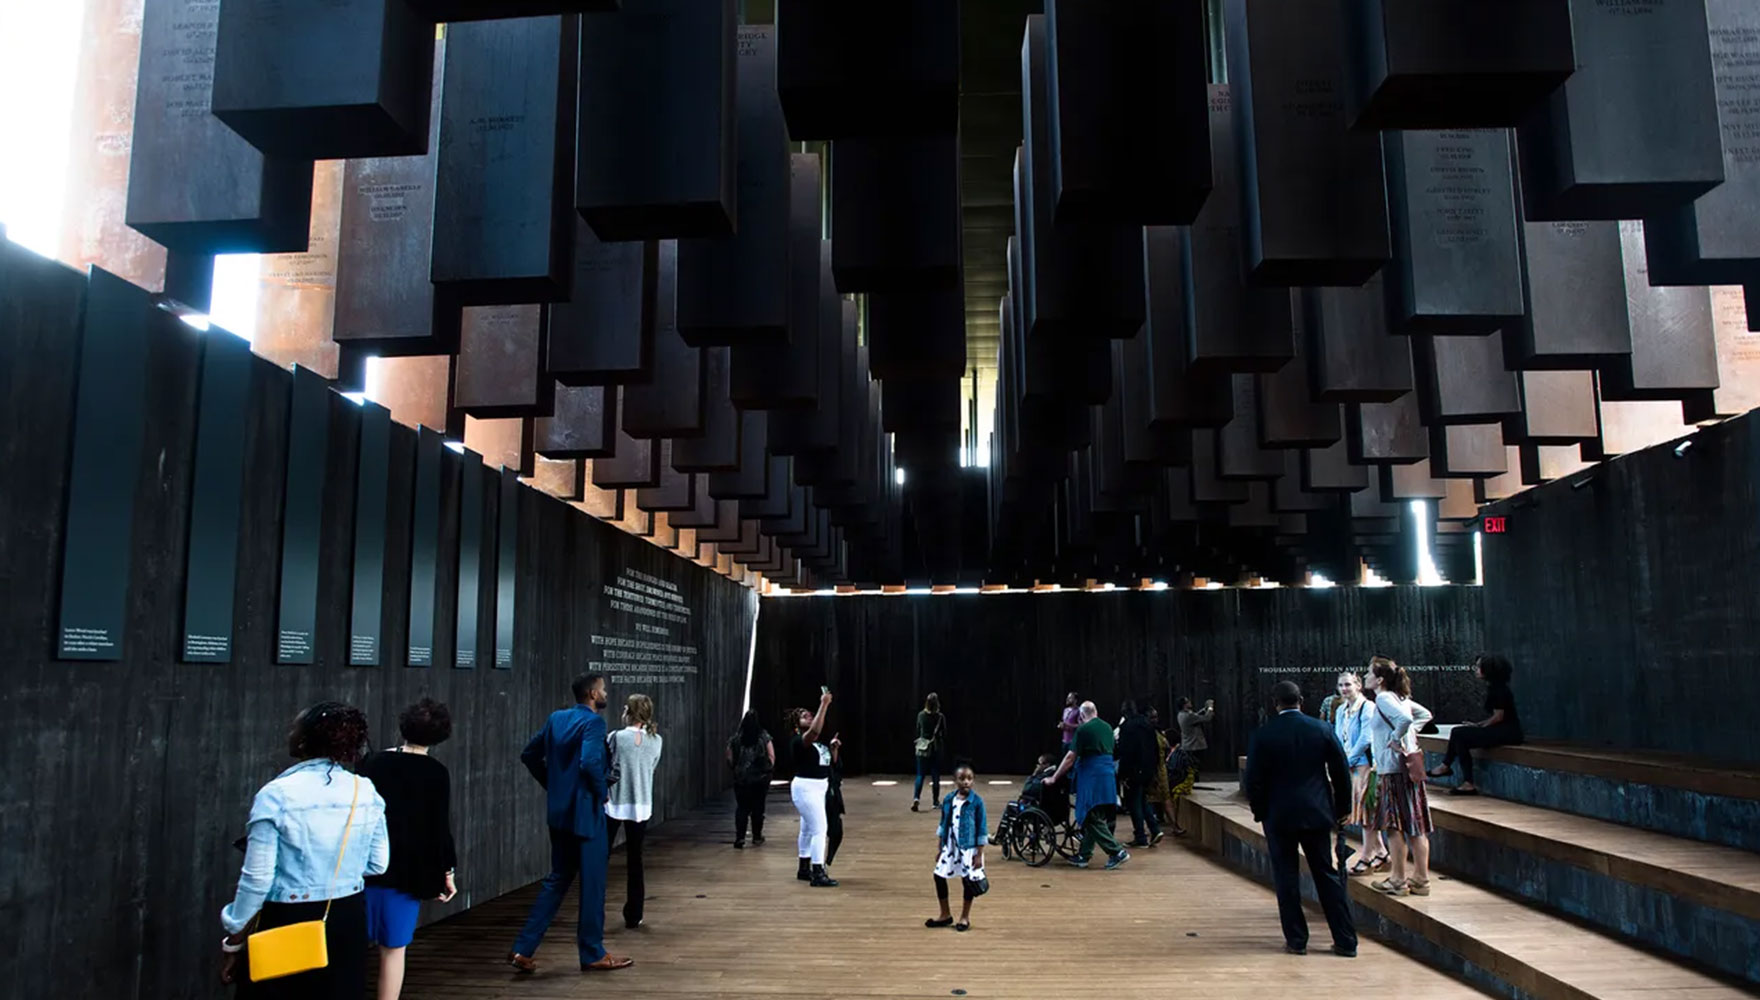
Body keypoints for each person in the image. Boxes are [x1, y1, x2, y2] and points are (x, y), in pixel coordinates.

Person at [219, 702, 391, 998]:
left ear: (304, 740)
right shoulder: (363, 790)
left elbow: (257, 880)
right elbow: (378, 863)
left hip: (288, 916)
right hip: (346, 918)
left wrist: (234, 941)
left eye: (294, 727)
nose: (289, 733)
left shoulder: (276, 794)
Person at [509, 673, 633, 974]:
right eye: (603, 690)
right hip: (586, 814)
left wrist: (554, 785)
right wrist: (603, 792)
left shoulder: (556, 719)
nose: (606, 694)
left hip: (559, 814)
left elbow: (529, 754)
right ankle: (592, 952)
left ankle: (522, 949)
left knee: (557, 879)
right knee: (592, 885)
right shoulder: (593, 723)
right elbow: (589, 762)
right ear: (592, 694)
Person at [1242, 682, 1358, 958]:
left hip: (1278, 815)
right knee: (1326, 875)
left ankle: (1297, 940)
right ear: (1301, 701)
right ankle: (1345, 941)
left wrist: (1260, 811)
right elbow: (1341, 773)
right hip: (1316, 813)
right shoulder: (1321, 729)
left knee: (1286, 877)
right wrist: (1342, 809)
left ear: (1275, 703)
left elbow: (1253, 780)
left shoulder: (1264, 734)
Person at [357, 699, 459, 1000]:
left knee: (349, 947)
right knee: (393, 950)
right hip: (408, 873)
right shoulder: (437, 773)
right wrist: (447, 870)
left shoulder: (372, 763)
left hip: (361, 868)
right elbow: (439, 827)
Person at [1363, 657, 1434, 898]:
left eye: (1368, 673)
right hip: (1407, 770)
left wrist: (1396, 739)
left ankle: (1398, 879)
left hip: (1392, 770)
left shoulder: (1383, 698)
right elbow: (1424, 715)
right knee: (1416, 826)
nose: (1364, 677)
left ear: (1380, 679)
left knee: (1395, 827)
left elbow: (1405, 720)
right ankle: (1421, 880)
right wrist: (1410, 737)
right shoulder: (1400, 698)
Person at [1049, 701, 1131, 870]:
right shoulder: (1108, 727)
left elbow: (1071, 757)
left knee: (1087, 815)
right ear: (1096, 711)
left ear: (1081, 715)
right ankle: (1084, 855)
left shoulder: (1083, 729)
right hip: (1107, 774)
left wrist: (1054, 777)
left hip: (1091, 775)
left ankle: (1116, 851)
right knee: (1096, 815)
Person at [1427, 653, 1523, 795]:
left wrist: (1481, 726)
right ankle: (1451, 770)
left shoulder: (1498, 690)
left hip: (1508, 732)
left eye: (1479, 667)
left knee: (1459, 733)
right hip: (1504, 729)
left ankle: (1456, 774)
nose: (1476, 670)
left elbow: (1499, 717)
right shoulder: (1496, 687)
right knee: (1459, 733)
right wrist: (1478, 725)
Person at [606, 694, 663, 930]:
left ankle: (593, 909)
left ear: (628, 711)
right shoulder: (657, 740)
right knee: (635, 859)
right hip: (641, 805)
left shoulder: (615, 737)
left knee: (601, 858)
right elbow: (652, 766)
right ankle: (634, 913)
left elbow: (607, 765)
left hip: (613, 803)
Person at [1331, 672, 1386, 876]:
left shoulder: (1367, 707)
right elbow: (1337, 735)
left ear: (1358, 686)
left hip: (1364, 765)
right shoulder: (1341, 709)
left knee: (1365, 812)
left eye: (1348, 684)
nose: (1344, 689)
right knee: (1361, 811)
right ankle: (1381, 852)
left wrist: (1348, 760)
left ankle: (1367, 857)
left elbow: (1366, 738)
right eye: (1341, 685)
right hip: (1348, 764)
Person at [924, 762, 989, 931]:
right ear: (955, 781)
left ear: (973, 781)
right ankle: (945, 914)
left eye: (969, 779)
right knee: (939, 875)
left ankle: (965, 917)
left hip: (969, 847)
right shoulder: (949, 799)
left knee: (967, 881)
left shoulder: (976, 802)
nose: (966, 782)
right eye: (962, 779)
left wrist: (979, 854)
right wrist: (940, 848)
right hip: (951, 845)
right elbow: (944, 824)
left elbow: (982, 828)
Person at [789, 691, 839, 887]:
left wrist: (834, 749)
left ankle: (804, 867)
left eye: (810, 714)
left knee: (808, 829)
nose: (809, 716)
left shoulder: (816, 744)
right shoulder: (800, 740)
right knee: (820, 829)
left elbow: (829, 764)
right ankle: (818, 872)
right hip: (806, 788)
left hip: (819, 787)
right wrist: (824, 704)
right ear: (796, 725)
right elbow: (816, 731)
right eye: (804, 716)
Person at [1116, 699, 1164, 847]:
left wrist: (1122, 774)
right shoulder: (1147, 724)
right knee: (1142, 800)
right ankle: (1155, 829)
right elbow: (1155, 748)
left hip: (1134, 770)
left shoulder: (1126, 727)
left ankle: (1141, 837)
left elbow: (1126, 753)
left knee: (1133, 803)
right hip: (1148, 768)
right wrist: (1155, 768)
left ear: (1124, 712)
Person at [726, 710, 775, 848]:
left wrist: (736, 769)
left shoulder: (736, 738)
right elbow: (771, 756)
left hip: (741, 779)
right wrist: (768, 769)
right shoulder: (764, 736)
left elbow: (729, 758)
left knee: (742, 808)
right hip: (760, 778)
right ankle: (757, 836)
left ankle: (740, 837)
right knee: (758, 808)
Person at [912, 693, 947, 812]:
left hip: (922, 748)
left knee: (920, 775)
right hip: (935, 748)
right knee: (935, 775)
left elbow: (917, 730)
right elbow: (944, 733)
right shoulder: (940, 717)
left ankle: (916, 798)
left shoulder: (920, 715)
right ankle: (935, 801)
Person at [1147, 707, 1174, 826]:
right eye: (1152, 717)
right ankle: (1154, 823)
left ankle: (1174, 824)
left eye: (1156, 717)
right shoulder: (1147, 733)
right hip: (1152, 767)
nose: (1155, 720)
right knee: (1151, 797)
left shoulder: (1159, 732)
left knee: (1165, 796)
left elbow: (1167, 747)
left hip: (1161, 767)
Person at [1176, 696, 1216, 771]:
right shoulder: (1188, 716)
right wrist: (1210, 707)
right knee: (1195, 767)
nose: (1190, 702)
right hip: (1194, 745)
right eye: (1188, 701)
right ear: (1184, 705)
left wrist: (1204, 709)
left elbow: (1196, 716)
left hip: (1187, 745)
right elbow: (1207, 718)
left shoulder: (1181, 714)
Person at [825, 731, 846, 865]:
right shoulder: (801, 742)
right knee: (816, 831)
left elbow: (835, 765)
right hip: (817, 790)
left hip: (832, 791)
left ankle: (826, 862)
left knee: (836, 831)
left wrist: (834, 750)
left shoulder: (823, 744)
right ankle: (810, 865)